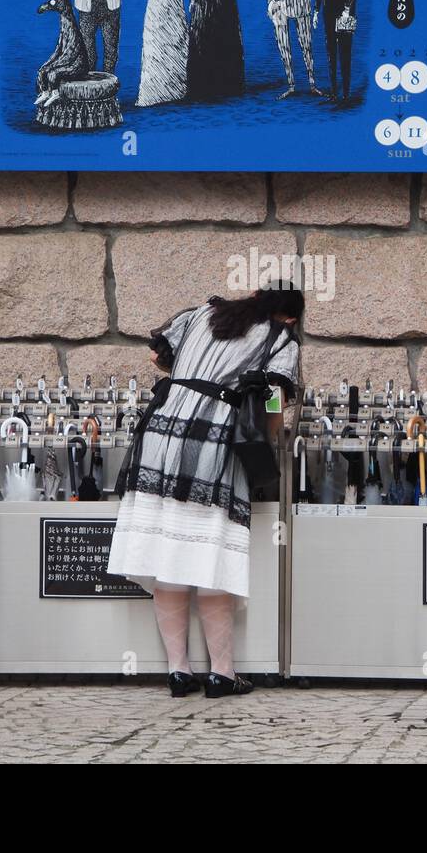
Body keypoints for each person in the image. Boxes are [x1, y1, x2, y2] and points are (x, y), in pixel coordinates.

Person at [108, 287, 302, 699]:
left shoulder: (201, 314)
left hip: (160, 436)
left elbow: (157, 357)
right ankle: (222, 673)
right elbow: (275, 399)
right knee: (209, 558)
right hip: (212, 444)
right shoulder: (279, 337)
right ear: (290, 317)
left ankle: (178, 672)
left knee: (167, 557)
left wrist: (191, 382)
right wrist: (268, 431)